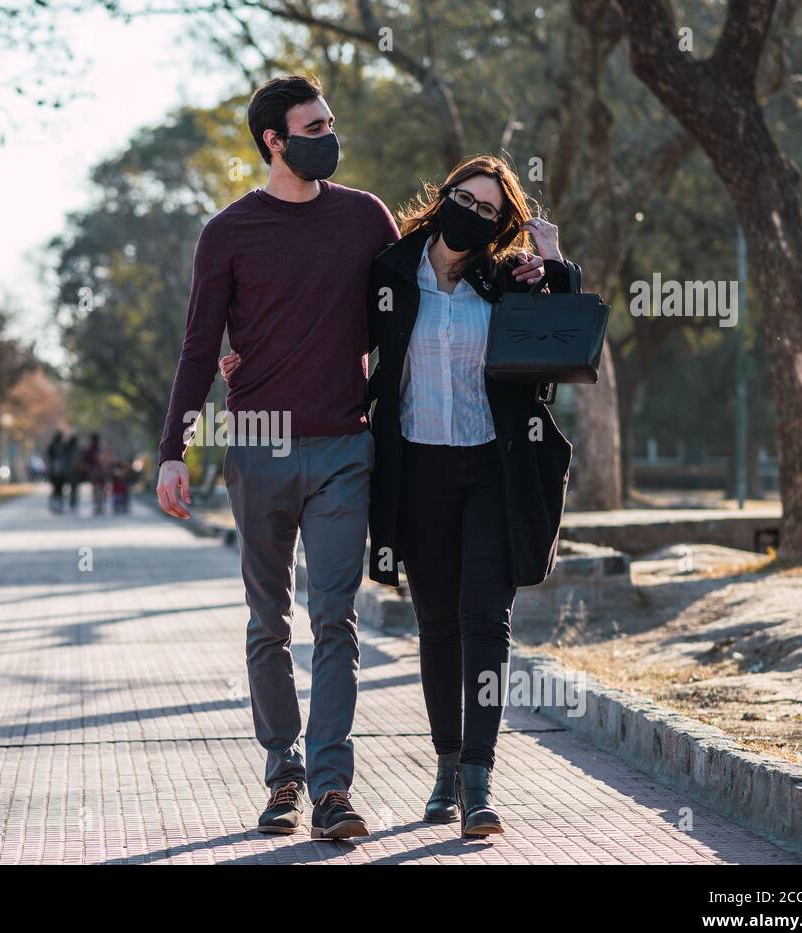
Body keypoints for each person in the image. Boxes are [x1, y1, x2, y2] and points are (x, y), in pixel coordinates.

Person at [157, 75, 547, 841]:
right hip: (259, 444)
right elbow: (200, 345)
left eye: (331, 120)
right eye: (314, 124)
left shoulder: (365, 217)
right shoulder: (227, 232)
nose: (329, 134)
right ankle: (283, 776)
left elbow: (428, 290)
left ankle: (332, 788)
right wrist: (174, 449)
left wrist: (535, 273)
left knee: (335, 618)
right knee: (268, 621)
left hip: (343, 443)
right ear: (275, 140)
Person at [47, 430, 67, 513]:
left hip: (60, 471)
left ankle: (58, 505)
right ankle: (55, 505)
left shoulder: (63, 446)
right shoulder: (53, 447)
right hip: (55, 471)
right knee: (56, 489)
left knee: (58, 489)